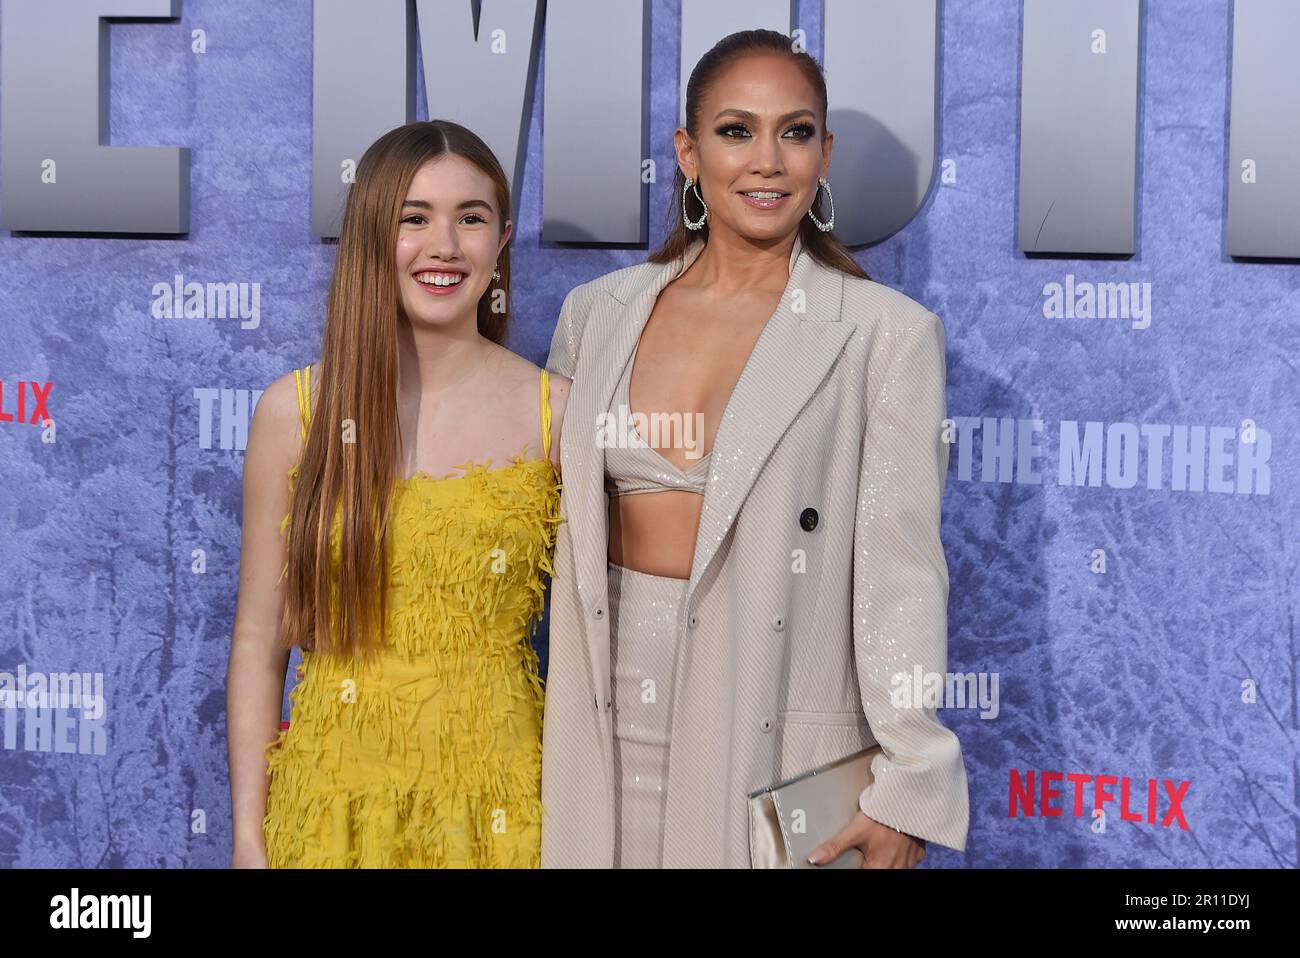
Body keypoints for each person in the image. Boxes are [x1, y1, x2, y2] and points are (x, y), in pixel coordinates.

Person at [540, 29, 968, 868]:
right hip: (600, 712)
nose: (768, 160)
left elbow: (903, 575)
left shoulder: (886, 338)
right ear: (688, 153)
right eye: (737, 131)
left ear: (825, 152)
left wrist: (910, 777)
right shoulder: (596, 316)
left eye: (795, 131)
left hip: (772, 719)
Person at [226, 120, 569, 867]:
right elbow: (260, 641)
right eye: (414, 218)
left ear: (501, 240)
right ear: (373, 234)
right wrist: (249, 841)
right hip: (331, 809)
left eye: (469, 218)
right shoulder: (297, 412)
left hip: (501, 810)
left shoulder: (559, 414)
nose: (443, 245)